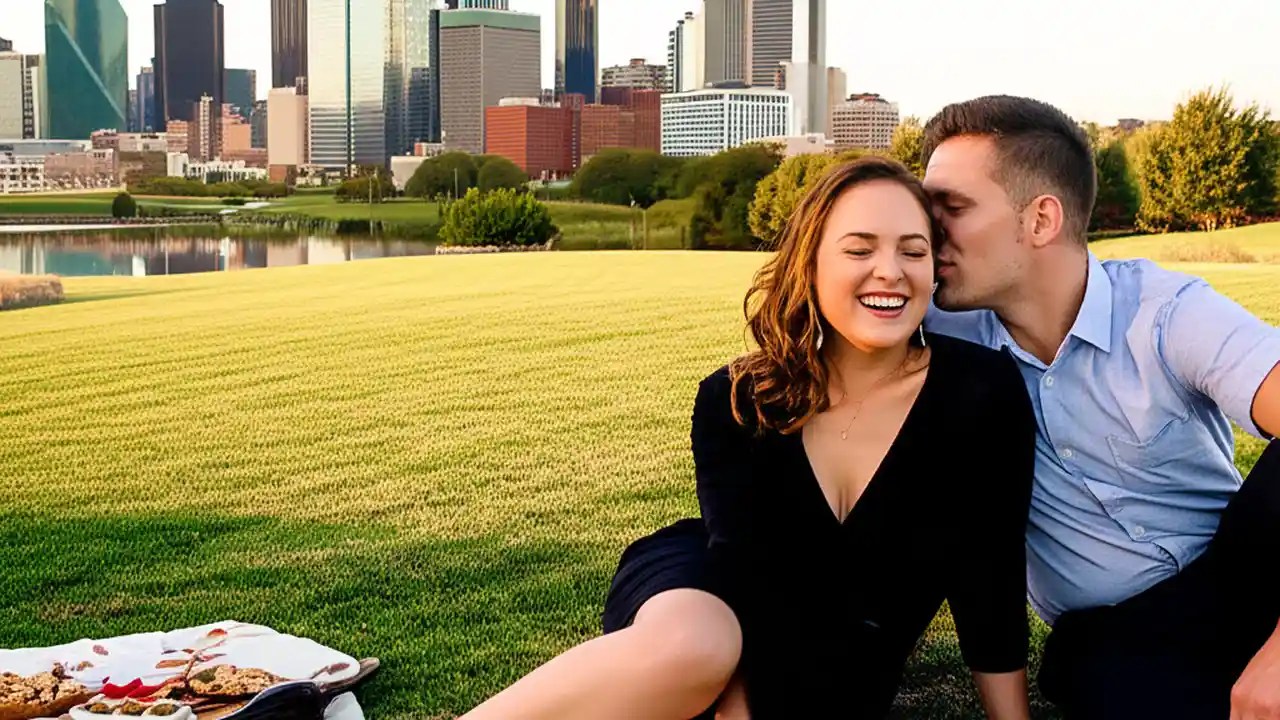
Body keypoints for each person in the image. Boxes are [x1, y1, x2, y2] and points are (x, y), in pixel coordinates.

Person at [459, 157, 1039, 720]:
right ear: (810, 264)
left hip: (833, 669)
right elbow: (743, 578)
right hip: (704, 591)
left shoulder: (979, 392)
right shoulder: (739, 398)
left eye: (913, 251)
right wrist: (739, 709)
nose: (890, 270)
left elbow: (990, 576)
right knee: (698, 649)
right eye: (859, 249)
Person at [917, 94, 1280, 719]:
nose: (928, 231)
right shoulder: (935, 329)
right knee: (1107, 680)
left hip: (1244, 576)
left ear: (1041, 220)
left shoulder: (1166, 312)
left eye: (951, 208)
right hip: (1116, 639)